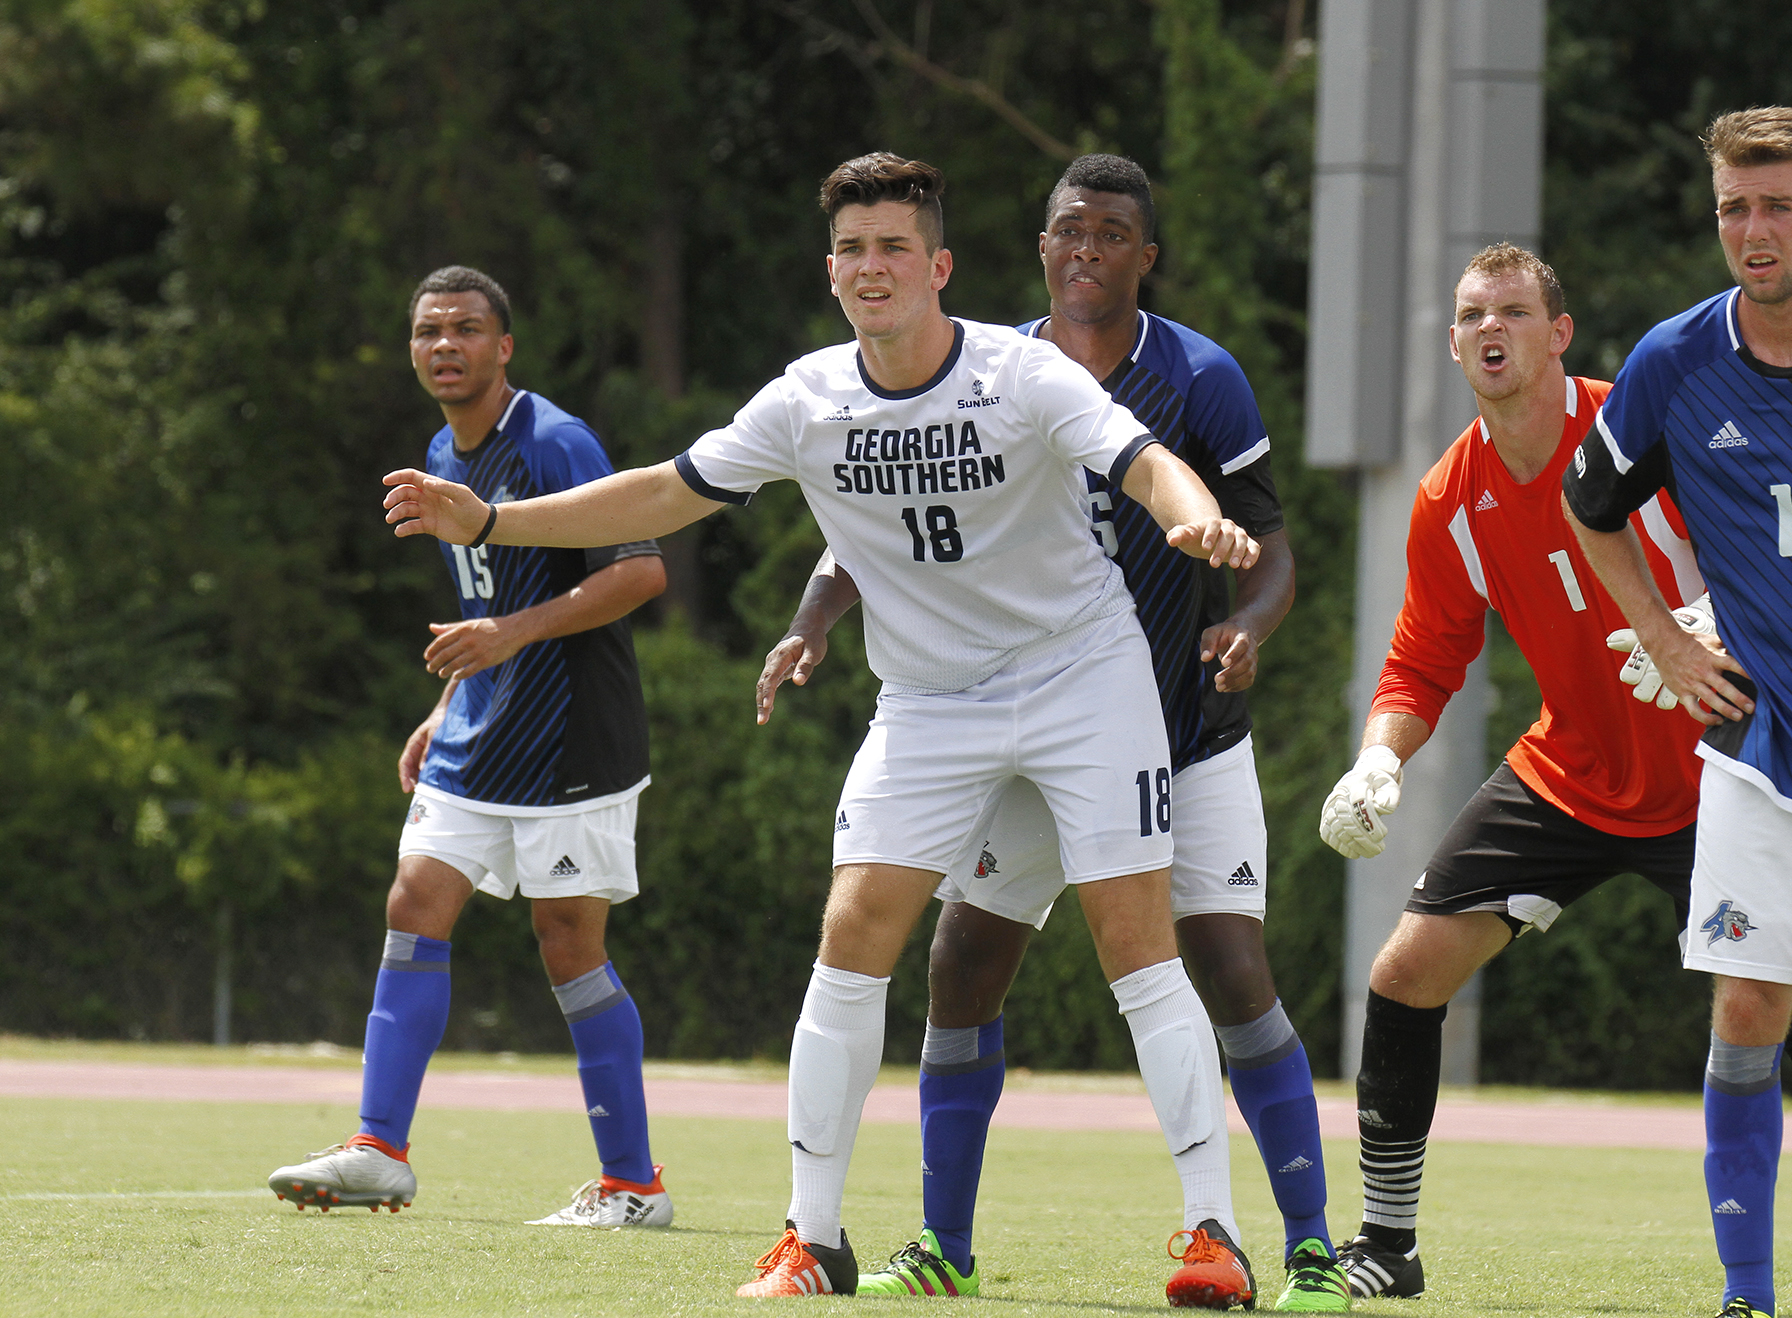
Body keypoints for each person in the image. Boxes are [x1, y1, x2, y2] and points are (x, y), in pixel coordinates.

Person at [379, 153, 1260, 1301]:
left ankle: (1212, 1236)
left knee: (1137, 947)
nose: (871, 265)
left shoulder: (1019, 372)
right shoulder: (806, 399)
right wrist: (496, 516)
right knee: (849, 940)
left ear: (938, 265)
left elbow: (1145, 467)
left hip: (1081, 681)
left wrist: (1199, 524)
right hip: (930, 704)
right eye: (852, 249)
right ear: (830, 272)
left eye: (894, 245)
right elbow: (663, 492)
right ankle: (815, 1238)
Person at [755, 153, 1339, 1311]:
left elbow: (1266, 538)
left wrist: (1250, 624)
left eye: (1112, 234)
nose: (1087, 251)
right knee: (961, 960)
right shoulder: (983, 364)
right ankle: (942, 1245)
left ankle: (1306, 1244)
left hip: (1185, 726)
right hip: (1010, 719)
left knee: (1224, 962)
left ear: (1144, 258)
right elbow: (879, 527)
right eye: (1070, 230)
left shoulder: (1201, 377)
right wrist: (813, 622)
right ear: (1038, 248)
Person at [1319, 243, 1707, 1298]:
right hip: (1571, 772)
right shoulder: (1450, 496)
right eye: (1470, 314)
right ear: (1453, 343)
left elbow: (1764, 531)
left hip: (1721, 762)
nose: (1489, 328)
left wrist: (1714, 623)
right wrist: (1376, 763)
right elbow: (1422, 659)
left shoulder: (1643, 427)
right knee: (1404, 973)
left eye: (1512, 310)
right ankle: (1386, 1248)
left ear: (1557, 333)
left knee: (1762, 1004)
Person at [267, 266, 673, 1228]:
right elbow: (484, 605)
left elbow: (643, 570)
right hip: (479, 738)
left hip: (576, 738)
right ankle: (379, 1149)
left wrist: (507, 638)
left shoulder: (558, 441)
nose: (443, 345)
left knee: (568, 943)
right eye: (426, 331)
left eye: (465, 329)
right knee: (414, 899)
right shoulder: (439, 452)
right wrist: (452, 698)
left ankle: (633, 1188)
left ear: (504, 347)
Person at [1564, 107, 1792, 1318]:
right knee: (1748, 1005)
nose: (1753, 232)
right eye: (1733, 208)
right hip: (1760, 747)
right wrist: (1660, 630)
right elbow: (1588, 501)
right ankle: (1746, 1295)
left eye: (1779, 206)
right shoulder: (1673, 360)